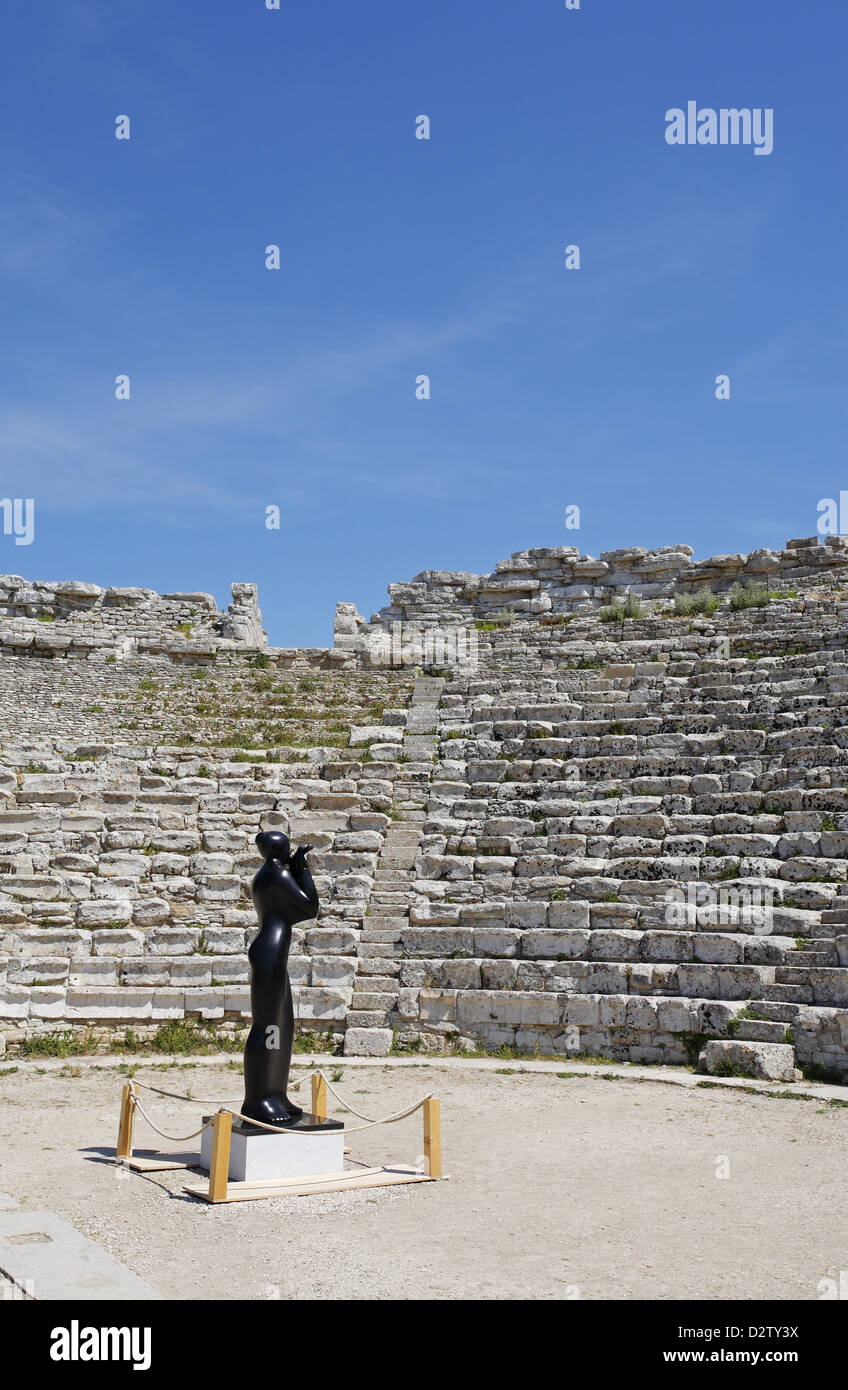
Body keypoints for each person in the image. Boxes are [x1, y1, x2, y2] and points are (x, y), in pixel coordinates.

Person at [241, 830, 318, 1126]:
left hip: (272, 953)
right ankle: (258, 1100)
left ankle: (276, 1093)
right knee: (269, 1026)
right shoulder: (275, 873)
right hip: (270, 955)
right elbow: (310, 906)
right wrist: (303, 867)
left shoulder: (271, 871)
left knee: (283, 1025)